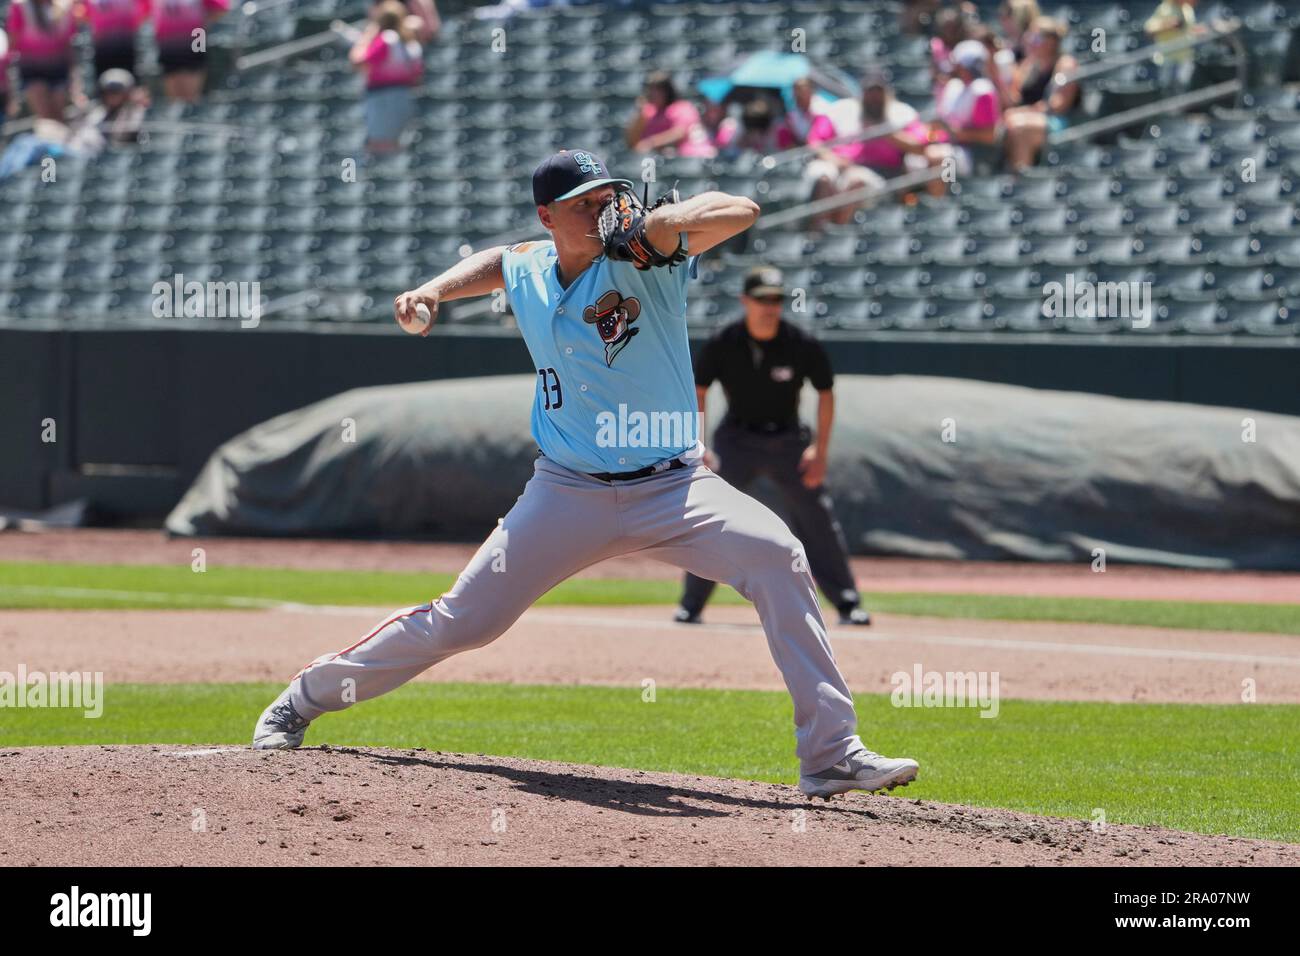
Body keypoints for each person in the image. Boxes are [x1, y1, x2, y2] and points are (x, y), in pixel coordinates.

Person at [252, 148, 920, 801]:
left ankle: (831, 756)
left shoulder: (648, 255)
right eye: (586, 203)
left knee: (779, 555)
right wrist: (432, 290)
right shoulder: (534, 266)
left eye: (610, 195)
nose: (605, 208)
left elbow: (743, 210)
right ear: (547, 217)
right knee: (465, 623)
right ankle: (303, 698)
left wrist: (662, 222)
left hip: (674, 487)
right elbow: (500, 263)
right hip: (567, 492)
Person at [675, 266, 873, 629]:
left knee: (817, 520)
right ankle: (691, 605)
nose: (770, 306)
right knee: (710, 516)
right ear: (745, 301)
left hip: (788, 441)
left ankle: (848, 604)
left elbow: (826, 393)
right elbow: (697, 392)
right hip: (737, 439)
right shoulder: (725, 342)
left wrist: (820, 451)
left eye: (776, 300)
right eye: (762, 299)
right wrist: (698, 444)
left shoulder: (800, 343)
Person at [803, 73, 940, 226]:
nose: (874, 98)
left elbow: (921, 146)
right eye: (870, 92)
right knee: (823, 178)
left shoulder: (900, 114)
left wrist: (887, 133)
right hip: (843, 168)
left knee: (856, 180)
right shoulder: (843, 110)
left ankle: (836, 233)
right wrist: (835, 160)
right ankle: (819, 233)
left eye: (878, 93)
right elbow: (815, 142)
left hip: (884, 177)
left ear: (886, 94)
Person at [1002, 18, 1080, 172]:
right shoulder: (1029, 64)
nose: (1030, 42)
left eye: (1036, 38)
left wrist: (1023, 112)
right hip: (1027, 116)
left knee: (1020, 126)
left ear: (1051, 42)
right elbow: (1015, 98)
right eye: (1029, 37)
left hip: (1058, 122)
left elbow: (1058, 105)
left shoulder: (1065, 63)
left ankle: (1022, 182)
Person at [350, 0, 423, 154]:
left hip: (383, 97)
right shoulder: (411, 42)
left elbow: (357, 60)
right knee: (395, 145)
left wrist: (369, 34)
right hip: (406, 96)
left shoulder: (386, 39)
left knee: (382, 145)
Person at [930, 39, 1003, 177]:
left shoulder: (982, 90)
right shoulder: (954, 86)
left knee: (942, 159)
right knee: (915, 160)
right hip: (952, 147)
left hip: (975, 154)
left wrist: (951, 131)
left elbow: (989, 136)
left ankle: (946, 196)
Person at [6, 0, 81, 121]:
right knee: (45, 119)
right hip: (32, 70)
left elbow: (68, 46)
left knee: (59, 117)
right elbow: (13, 42)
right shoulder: (20, 7)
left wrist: (75, 82)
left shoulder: (65, 6)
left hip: (59, 69)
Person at [152, 0, 229, 103]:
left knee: (191, 96)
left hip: (196, 39)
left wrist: (201, 22)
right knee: (173, 98)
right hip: (167, 44)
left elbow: (221, 8)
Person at [625, 71, 715, 158]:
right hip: (657, 160)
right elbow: (632, 142)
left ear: (666, 92)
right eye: (650, 90)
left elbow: (679, 133)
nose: (651, 94)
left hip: (687, 155)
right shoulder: (648, 111)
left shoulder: (682, 108)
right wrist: (640, 114)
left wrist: (651, 143)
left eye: (656, 90)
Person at [67, 67, 146, 151]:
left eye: (117, 91)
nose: (112, 95)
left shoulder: (135, 112)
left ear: (127, 93)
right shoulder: (96, 110)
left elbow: (122, 136)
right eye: (109, 91)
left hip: (119, 155)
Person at [79, 0, 150, 80]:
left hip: (126, 45)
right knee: (105, 83)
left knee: (128, 81)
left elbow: (146, 10)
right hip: (103, 47)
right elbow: (82, 15)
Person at [1144, 0, 1198, 91]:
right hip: (1167, 57)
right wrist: (1167, 24)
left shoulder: (1187, 9)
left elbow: (1190, 30)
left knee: (1182, 88)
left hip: (1185, 57)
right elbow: (1149, 28)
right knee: (1165, 89)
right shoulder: (1165, 8)